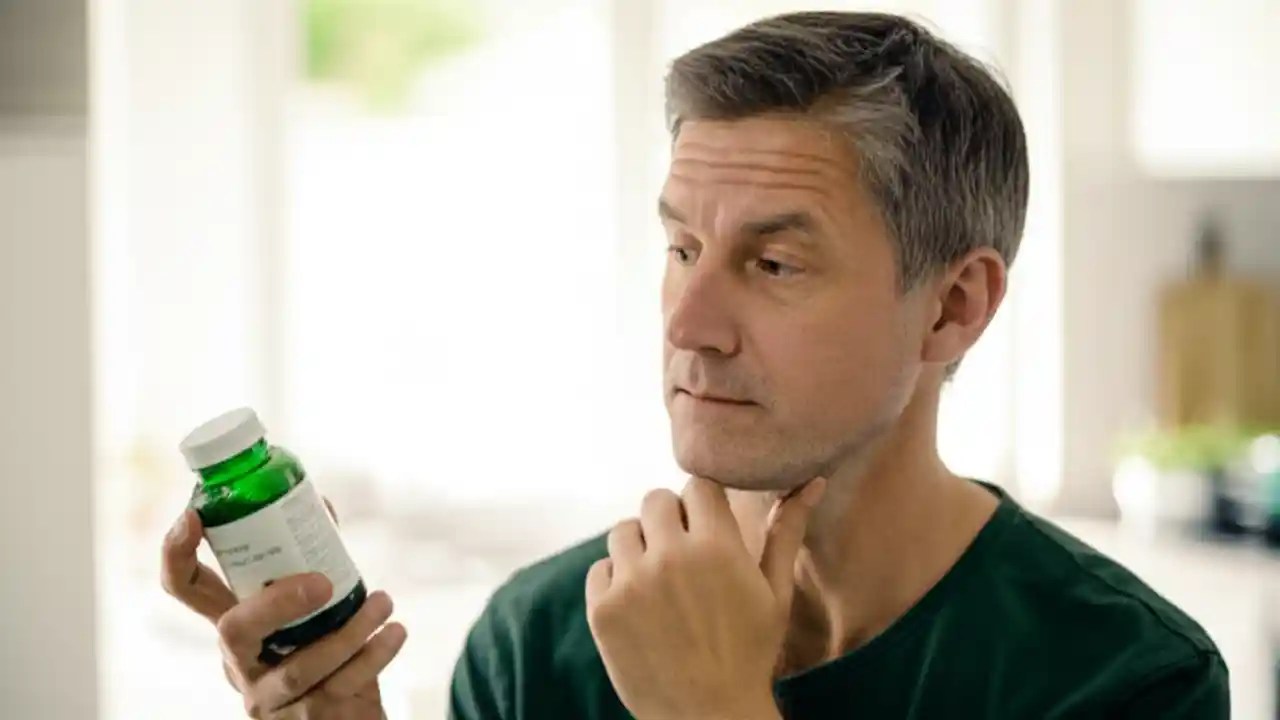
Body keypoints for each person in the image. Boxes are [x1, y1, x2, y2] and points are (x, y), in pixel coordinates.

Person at [161, 11, 1230, 719]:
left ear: (952, 309)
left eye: (773, 263)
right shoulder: (537, 644)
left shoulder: (1125, 680)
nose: (689, 322)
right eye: (680, 249)